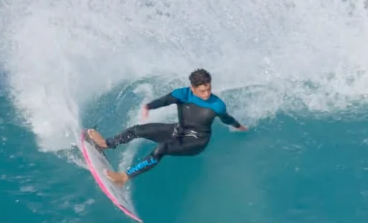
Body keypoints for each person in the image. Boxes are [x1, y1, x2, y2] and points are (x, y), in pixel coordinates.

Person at [86, 68, 247, 185]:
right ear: (192, 88)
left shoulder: (217, 105)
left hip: (197, 141)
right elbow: (164, 101)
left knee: (161, 148)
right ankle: (106, 144)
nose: (207, 94)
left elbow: (227, 118)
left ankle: (123, 177)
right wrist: (148, 107)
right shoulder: (182, 94)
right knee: (137, 130)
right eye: (202, 91)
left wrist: (238, 126)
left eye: (209, 89)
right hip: (180, 130)